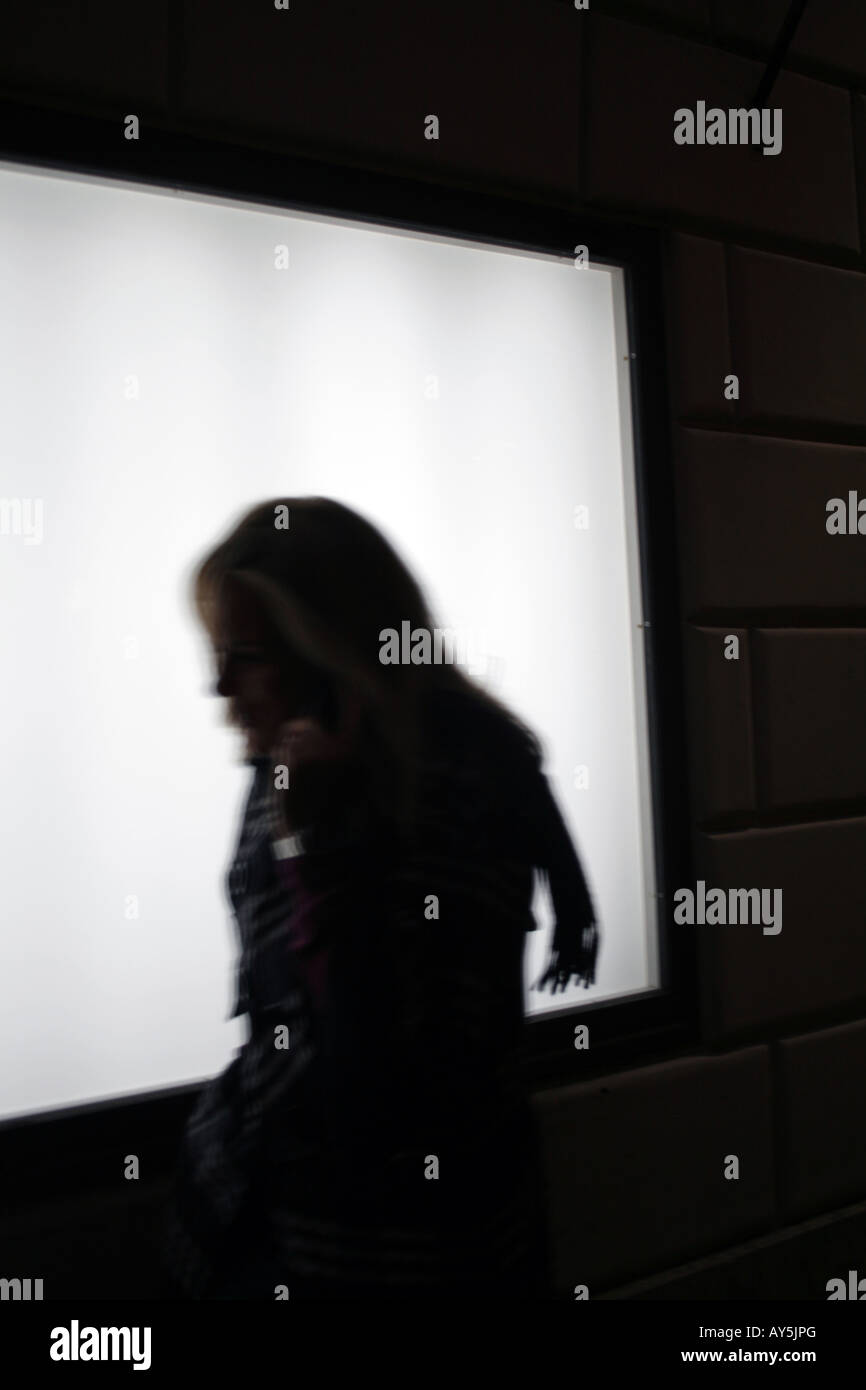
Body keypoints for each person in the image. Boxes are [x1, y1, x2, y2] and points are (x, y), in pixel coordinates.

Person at [158, 496, 599, 1299]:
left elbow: (381, 1084)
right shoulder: (299, 765)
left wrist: (317, 855)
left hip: (375, 1261)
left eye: (246, 654)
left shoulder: (449, 791)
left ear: (336, 654)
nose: (216, 684)